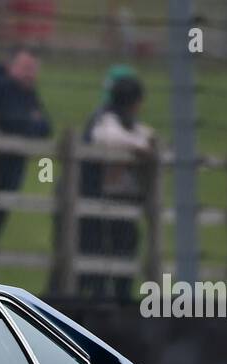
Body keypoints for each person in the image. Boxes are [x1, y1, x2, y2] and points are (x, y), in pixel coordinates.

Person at [76, 68, 155, 300]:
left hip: (115, 203)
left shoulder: (123, 121)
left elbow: (142, 135)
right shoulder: (106, 119)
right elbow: (109, 138)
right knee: (94, 265)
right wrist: (141, 146)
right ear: (135, 102)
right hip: (94, 205)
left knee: (120, 260)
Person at [0, 46, 51, 240]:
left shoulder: (28, 93)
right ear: (11, 66)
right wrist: (30, 122)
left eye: (33, 69)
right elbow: (11, 122)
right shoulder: (1, 86)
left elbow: (46, 128)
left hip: (12, 170)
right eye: (26, 68)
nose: (30, 74)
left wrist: (28, 123)